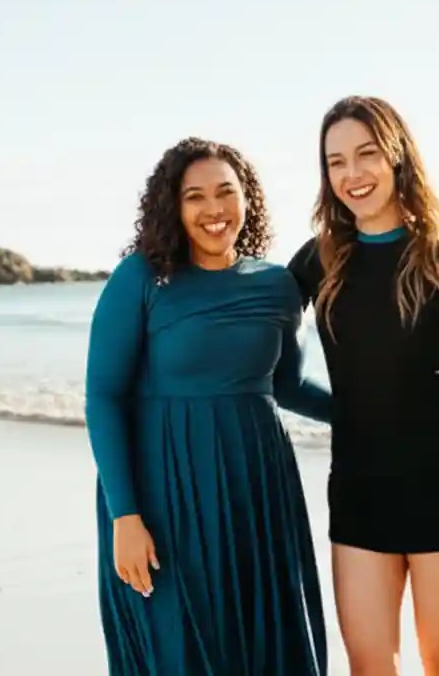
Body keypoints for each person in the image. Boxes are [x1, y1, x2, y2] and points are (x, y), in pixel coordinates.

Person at [85, 136, 333, 675]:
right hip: (162, 493)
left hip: (257, 488)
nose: (213, 209)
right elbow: (103, 397)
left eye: (226, 192)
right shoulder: (142, 277)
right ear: (173, 206)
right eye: (194, 196)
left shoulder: (278, 286)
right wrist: (124, 515)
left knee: (260, 646)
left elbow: (287, 385)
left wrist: (370, 412)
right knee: (178, 650)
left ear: (249, 199)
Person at [288, 95, 439, 676]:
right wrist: (349, 411)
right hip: (359, 490)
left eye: (367, 154)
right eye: (336, 162)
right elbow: (274, 370)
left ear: (397, 157)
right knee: (370, 664)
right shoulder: (316, 262)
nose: (352, 174)